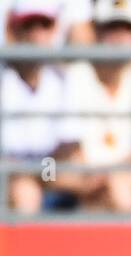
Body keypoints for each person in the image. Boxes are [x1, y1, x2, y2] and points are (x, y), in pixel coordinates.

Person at [64, 0, 131, 211]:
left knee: (121, 189)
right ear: (95, 32)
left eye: (130, 28)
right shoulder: (73, 78)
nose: (121, 37)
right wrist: (105, 179)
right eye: (112, 28)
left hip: (127, 186)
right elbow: (69, 155)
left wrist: (109, 178)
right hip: (77, 187)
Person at [1, 0, 81, 212]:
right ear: (14, 29)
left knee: (99, 182)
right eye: (28, 25)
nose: (36, 34)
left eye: (44, 25)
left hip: (49, 172)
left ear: (54, 30)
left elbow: (69, 144)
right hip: (9, 174)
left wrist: (39, 173)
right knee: (25, 191)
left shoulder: (63, 79)